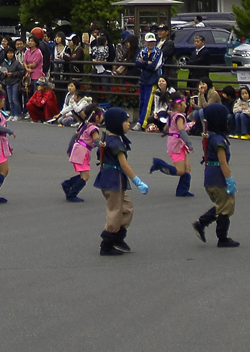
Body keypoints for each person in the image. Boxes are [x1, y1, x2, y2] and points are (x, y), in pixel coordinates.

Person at [95, 107, 149, 255]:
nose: (128, 124)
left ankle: (118, 236)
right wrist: (138, 182)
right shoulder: (116, 144)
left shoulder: (109, 140)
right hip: (113, 180)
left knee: (127, 208)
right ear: (117, 124)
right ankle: (107, 243)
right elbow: (124, 165)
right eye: (125, 121)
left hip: (113, 179)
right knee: (115, 211)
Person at [190, 102, 240, 248]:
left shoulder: (209, 136)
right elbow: (223, 162)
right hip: (218, 176)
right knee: (226, 205)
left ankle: (202, 223)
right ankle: (222, 237)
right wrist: (229, 180)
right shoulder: (219, 140)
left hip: (209, 175)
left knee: (221, 204)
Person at [147, 95, 195, 196]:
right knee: (180, 171)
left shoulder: (172, 115)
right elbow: (182, 131)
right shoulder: (179, 116)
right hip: (176, 145)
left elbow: (166, 129)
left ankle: (182, 190)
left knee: (187, 168)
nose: (186, 105)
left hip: (177, 143)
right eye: (184, 103)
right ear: (177, 105)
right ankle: (159, 164)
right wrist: (189, 144)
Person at [61, 105, 103, 202]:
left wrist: (70, 148)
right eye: (101, 116)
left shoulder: (84, 124)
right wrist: (104, 146)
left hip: (78, 149)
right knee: (85, 176)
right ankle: (71, 194)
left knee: (83, 174)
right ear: (96, 117)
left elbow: (75, 135)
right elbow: (97, 141)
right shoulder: (93, 128)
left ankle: (67, 184)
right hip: (82, 151)